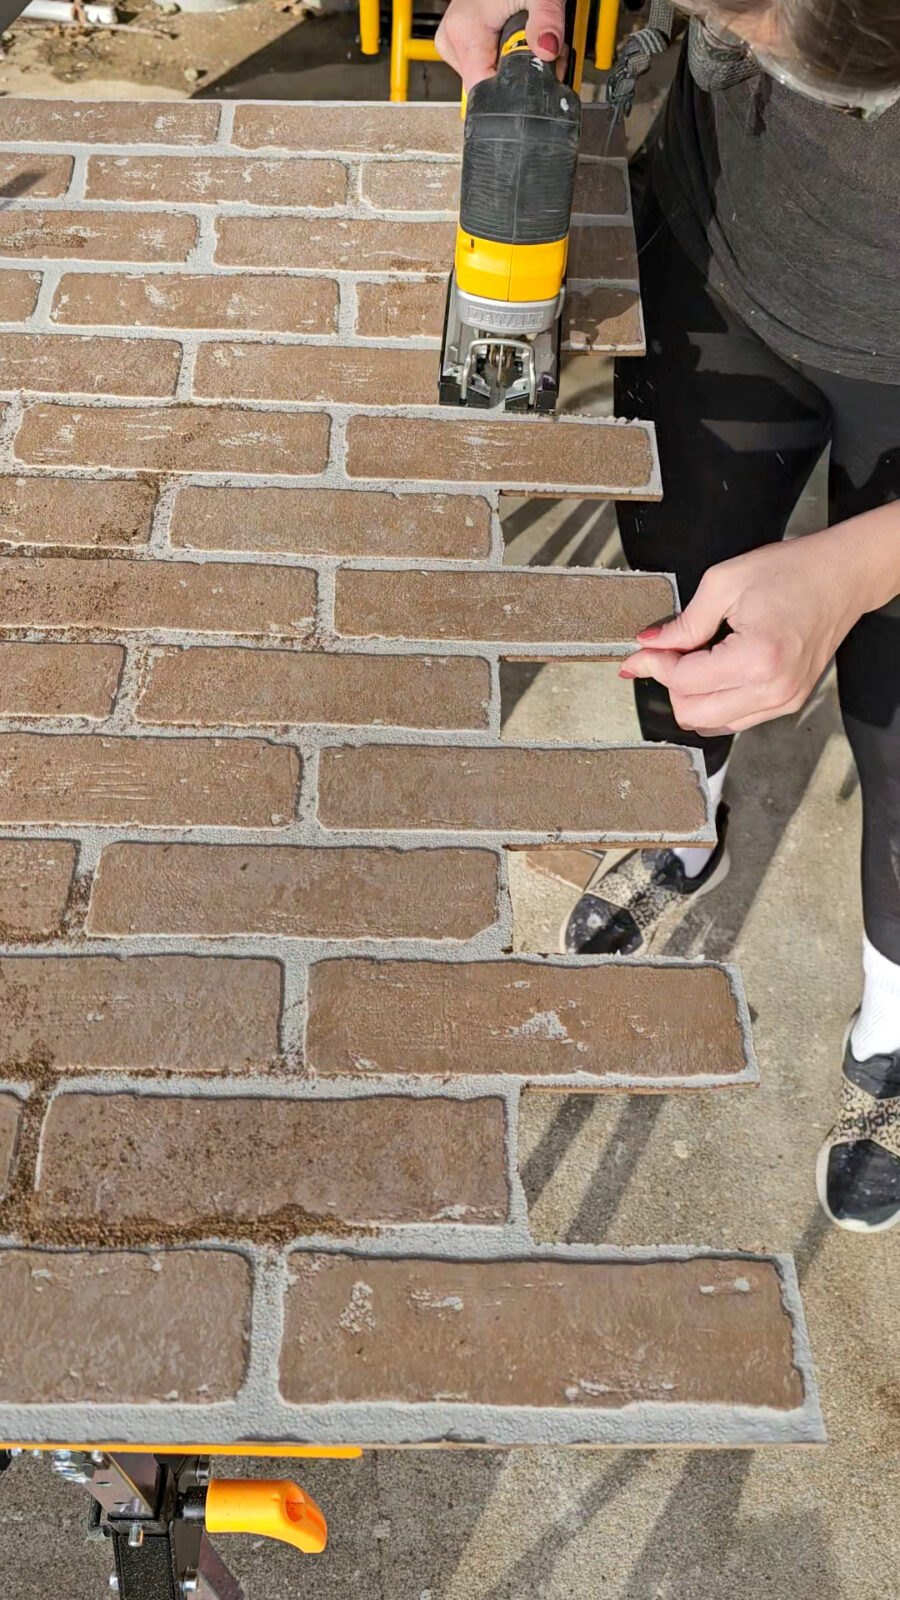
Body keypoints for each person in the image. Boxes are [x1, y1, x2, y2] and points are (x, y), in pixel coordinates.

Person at [436, 0, 900, 1233]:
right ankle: (685, 832)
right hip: (725, 259)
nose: (725, 45)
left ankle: (893, 1028)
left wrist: (857, 568)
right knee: (677, 596)